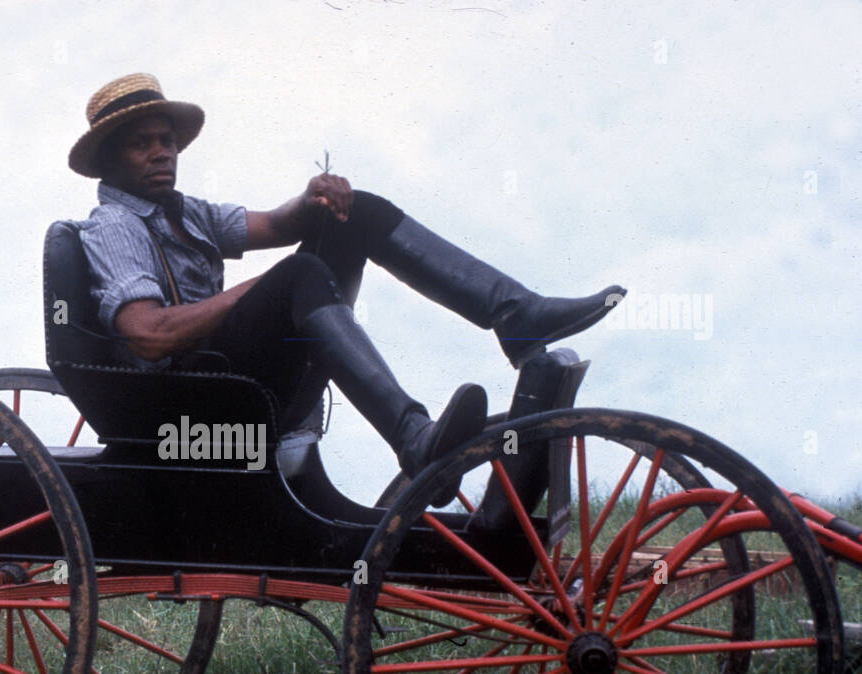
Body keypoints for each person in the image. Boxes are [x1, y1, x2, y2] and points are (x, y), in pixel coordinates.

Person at [70, 74, 622, 498]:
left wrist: (316, 200)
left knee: (354, 213)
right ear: (110, 158)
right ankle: (411, 436)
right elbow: (147, 335)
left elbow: (280, 225)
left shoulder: (185, 213)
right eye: (142, 144)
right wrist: (263, 287)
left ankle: (514, 313)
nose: (162, 152)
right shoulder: (114, 227)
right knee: (300, 275)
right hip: (191, 408)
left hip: (233, 386)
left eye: (166, 141)